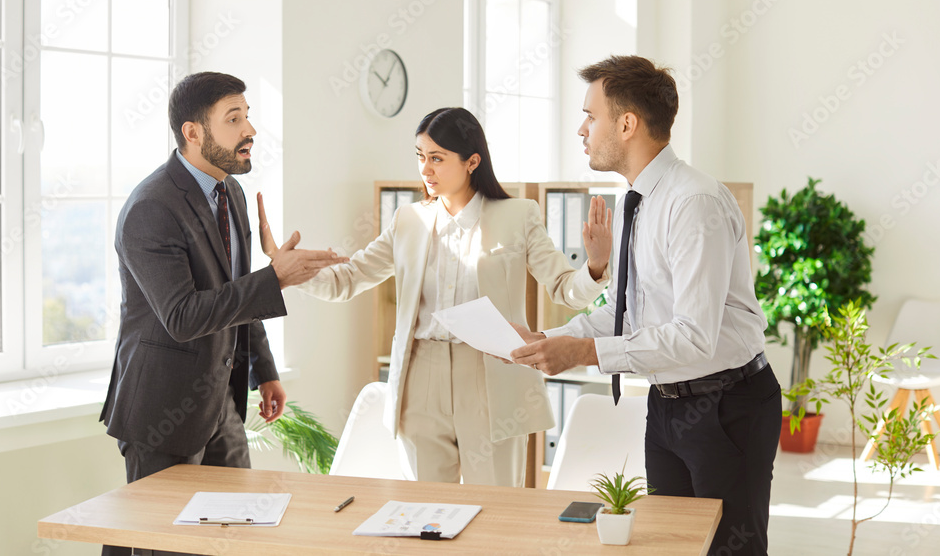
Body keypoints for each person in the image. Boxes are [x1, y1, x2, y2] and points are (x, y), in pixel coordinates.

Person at [510, 55, 780, 556]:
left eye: (591, 116)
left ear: (627, 124)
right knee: (668, 546)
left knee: (730, 550)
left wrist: (584, 353)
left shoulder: (693, 203)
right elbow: (623, 311)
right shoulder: (638, 201)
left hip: (728, 404)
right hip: (667, 403)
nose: (581, 129)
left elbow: (693, 335)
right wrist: (548, 341)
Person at [290, 107, 611, 486]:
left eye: (437, 159)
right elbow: (349, 278)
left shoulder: (518, 215)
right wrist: (289, 272)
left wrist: (595, 265)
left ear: (472, 161)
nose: (426, 169)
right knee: (426, 513)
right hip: (419, 377)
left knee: (494, 510)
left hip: (491, 373)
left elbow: (564, 288)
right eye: (420, 157)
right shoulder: (407, 220)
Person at [100, 72, 346, 556]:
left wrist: (265, 369)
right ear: (193, 132)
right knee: (161, 547)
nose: (249, 129)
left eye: (247, 115)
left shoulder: (230, 192)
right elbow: (184, 315)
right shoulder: (151, 208)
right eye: (233, 119)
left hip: (222, 407)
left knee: (238, 538)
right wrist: (275, 278)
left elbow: (236, 293)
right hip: (160, 415)